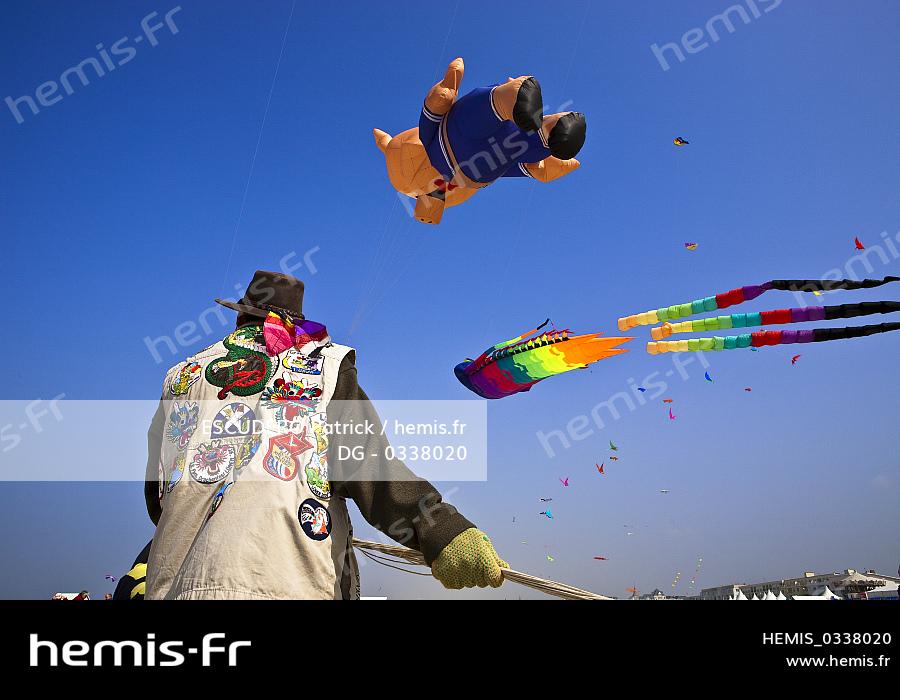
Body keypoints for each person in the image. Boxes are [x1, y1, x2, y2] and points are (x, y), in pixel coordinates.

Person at [144, 271, 506, 599]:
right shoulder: (324, 367)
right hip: (281, 583)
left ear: (240, 317)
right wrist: (442, 531)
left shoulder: (181, 376)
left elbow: (157, 496)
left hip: (173, 586)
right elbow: (368, 465)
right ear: (294, 322)